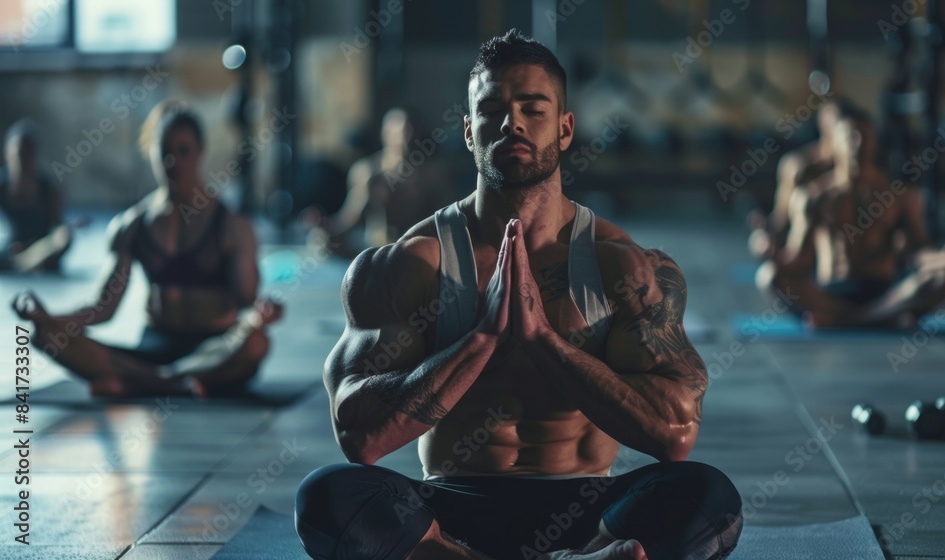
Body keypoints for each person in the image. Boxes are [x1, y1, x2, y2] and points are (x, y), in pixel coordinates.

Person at [295, 30, 742, 560]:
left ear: (565, 128)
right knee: (327, 496)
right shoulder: (409, 265)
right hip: (452, 504)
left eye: (533, 107)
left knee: (709, 496)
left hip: (586, 506)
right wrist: (480, 339)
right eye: (492, 110)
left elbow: (674, 434)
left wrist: (544, 341)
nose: (512, 123)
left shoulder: (622, 265)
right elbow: (360, 437)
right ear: (469, 131)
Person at [10, 101, 282, 397]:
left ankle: (140, 382)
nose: (172, 162)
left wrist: (259, 315)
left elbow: (246, 305)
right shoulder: (132, 225)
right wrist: (49, 318)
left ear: (200, 151)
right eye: (164, 152)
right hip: (152, 348)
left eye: (183, 151)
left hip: (212, 350)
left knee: (256, 343)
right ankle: (171, 383)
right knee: (46, 336)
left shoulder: (232, 226)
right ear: (151, 153)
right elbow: (104, 307)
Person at [757, 102, 945, 328]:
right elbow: (799, 260)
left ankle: (850, 319)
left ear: (874, 143)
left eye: (864, 137)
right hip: (831, 293)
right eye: (850, 136)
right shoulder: (813, 197)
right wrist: (774, 255)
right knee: (769, 275)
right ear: (834, 143)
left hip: (885, 294)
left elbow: (916, 252)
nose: (857, 143)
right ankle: (876, 318)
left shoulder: (899, 196)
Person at [306, 107, 452, 258]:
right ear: (386, 134)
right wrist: (328, 230)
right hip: (377, 254)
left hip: (416, 254)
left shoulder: (431, 177)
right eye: (403, 130)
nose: (408, 135)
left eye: (412, 130)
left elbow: (444, 221)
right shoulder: (369, 173)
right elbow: (351, 218)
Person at [747, 100, 842, 259]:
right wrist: (768, 231)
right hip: (795, 239)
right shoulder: (798, 164)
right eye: (828, 123)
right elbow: (779, 218)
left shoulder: (854, 167)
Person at [0, 119, 73, 272]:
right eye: (20, 154)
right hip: (9, 251)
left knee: (63, 237)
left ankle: (23, 264)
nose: (24, 161)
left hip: (42, 251)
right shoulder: (2, 187)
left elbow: (58, 231)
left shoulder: (51, 191)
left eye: (28, 154)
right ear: (8, 154)